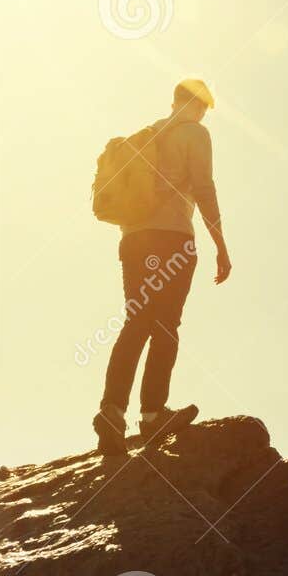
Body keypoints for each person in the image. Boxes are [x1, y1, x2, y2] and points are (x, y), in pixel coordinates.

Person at [93, 78, 232, 456]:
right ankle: (153, 415)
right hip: (172, 239)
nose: (203, 115)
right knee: (165, 325)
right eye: (204, 108)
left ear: (173, 101)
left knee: (136, 321)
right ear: (198, 105)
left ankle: (111, 412)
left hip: (133, 240)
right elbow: (204, 187)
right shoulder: (195, 133)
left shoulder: (146, 136)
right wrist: (220, 244)